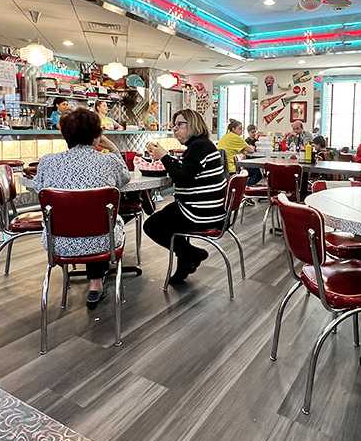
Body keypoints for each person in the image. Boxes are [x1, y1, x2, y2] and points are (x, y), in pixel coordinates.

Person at [32, 108, 131, 308]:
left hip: (58, 244)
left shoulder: (47, 162)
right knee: (102, 219)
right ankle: (96, 283)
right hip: (104, 243)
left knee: (84, 218)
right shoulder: (109, 161)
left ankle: (93, 282)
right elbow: (125, 178)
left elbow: (38, 188)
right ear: (97, 136)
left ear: (65, 135)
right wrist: (112, 147)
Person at [144, 109, 227, 285]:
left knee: (151, 225)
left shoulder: (198, 146)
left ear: (193, 124)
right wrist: (166, 158)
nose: (175, 129)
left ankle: (189, 253)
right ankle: (186, 259)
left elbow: (182, 177)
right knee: (167, 216)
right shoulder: (201, 145)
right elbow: (187, 170)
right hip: (209, 209)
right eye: (174, 125)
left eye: (179, 124)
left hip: (199, 212)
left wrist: (164, 157)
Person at [217, 119, 261, 184]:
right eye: (240, 129)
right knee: (257, 173)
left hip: (223, 167)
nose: (241, 131)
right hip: (232, 167)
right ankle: (245, 190)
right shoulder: (235, 138)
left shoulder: (225, 136)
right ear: (233, 129)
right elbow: (251, 149)